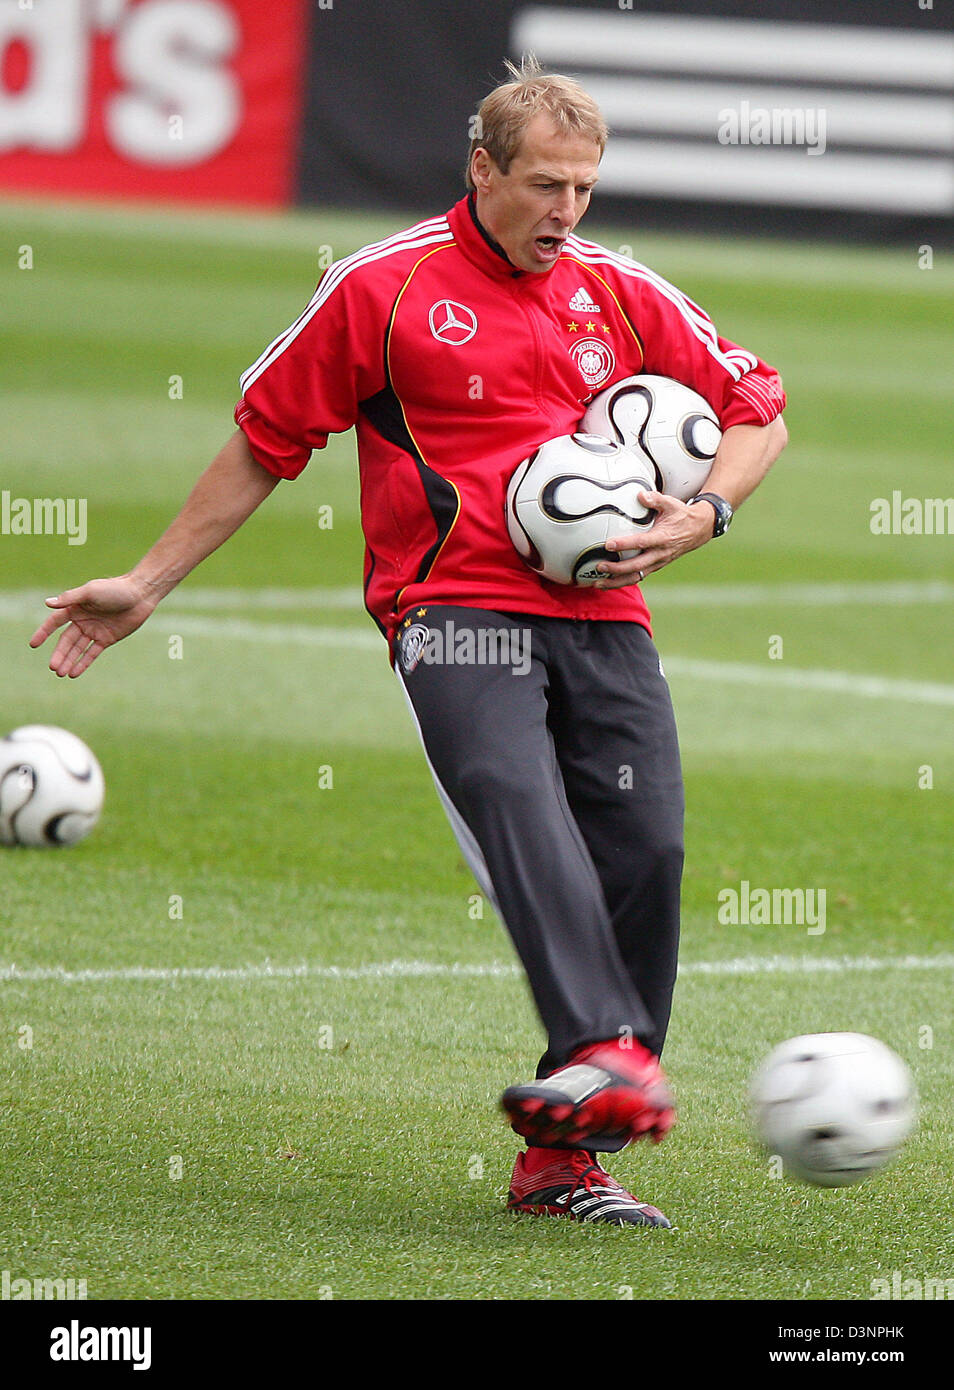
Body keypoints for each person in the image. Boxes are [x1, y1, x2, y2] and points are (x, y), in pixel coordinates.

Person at [30, 58, 787, 1227]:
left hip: (606, 610)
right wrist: (146, 581)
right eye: (544, 185)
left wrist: (708, 509)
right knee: (518, 803)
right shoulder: (383, 287)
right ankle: (606, 1051)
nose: (566, 213)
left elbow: (756, 404)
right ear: (481, 169)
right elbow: (266, 436)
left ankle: (565, 1154)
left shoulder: (618, 288)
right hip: (454, 612)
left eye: (584, 188)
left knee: (648, 851)